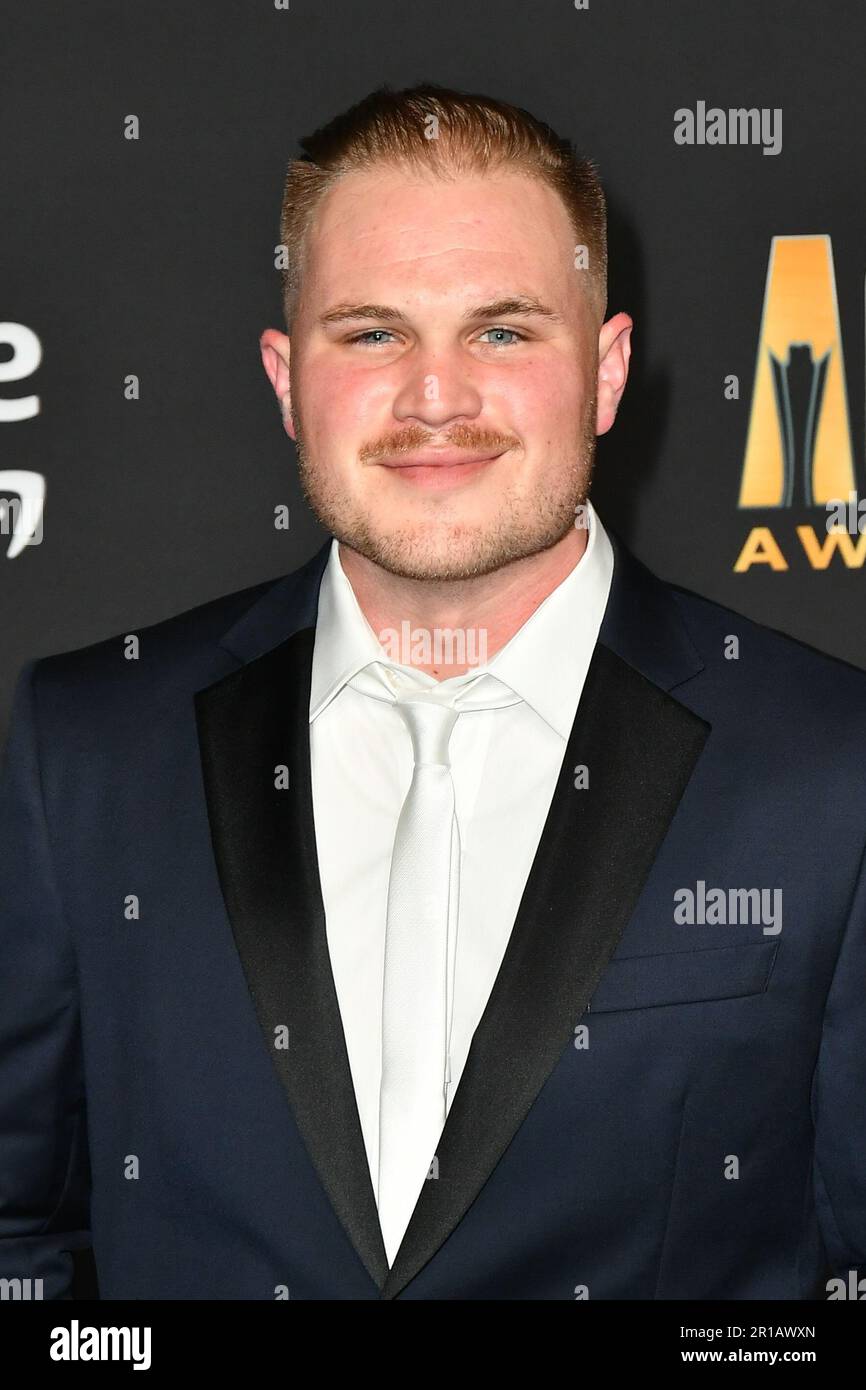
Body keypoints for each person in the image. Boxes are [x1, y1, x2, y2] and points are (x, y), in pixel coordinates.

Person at [1, 83, 864, 1302]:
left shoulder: (831, 767)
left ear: (606, 372)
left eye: (502, 332)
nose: (434, 400)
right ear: (286, 376)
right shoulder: (86, 745)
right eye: (370, 334)